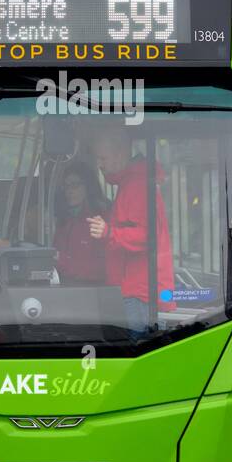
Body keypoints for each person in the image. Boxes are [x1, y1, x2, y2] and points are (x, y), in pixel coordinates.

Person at [87, 127, 174, 336]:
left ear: (121, 153)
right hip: (135, 290)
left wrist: (109, 232)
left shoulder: (137, 184)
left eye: (102, 158)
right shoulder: (133, 182)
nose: (99, 164)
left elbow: (147, 236)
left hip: (139, 294)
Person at [53, 162, 109, 283]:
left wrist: (61, 261)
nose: (69, 191)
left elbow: (102, 268)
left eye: (74, 185)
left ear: (88, 186)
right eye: (66, 186)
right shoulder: (64, 220)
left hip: (95, 291)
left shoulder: (100, 220)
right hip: (63, 288)